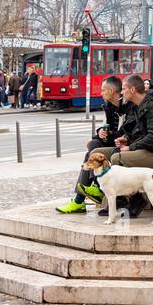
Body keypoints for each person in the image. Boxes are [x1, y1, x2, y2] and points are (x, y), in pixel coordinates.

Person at [107, 74, 153, 218]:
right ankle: (114, 199)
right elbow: (138, 132)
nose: (121, 92)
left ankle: (131, 200)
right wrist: (126, 139)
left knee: (116, 158)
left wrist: (131, 148)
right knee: (99, 153)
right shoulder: (138, 106)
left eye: (124, 89)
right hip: (144, 150)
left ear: (132, 90)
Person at [56, 76, 125, 214]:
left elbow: (127, 131)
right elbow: (107, 128)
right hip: (113, 143)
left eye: (103, 90)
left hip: (124, 146)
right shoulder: (109, 107)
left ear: (111, 91)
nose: (101, 93)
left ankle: (80, 200)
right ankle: (91, 191)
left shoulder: (128, 107)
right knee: (93, 144)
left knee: (92, 153)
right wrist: (99, 134)